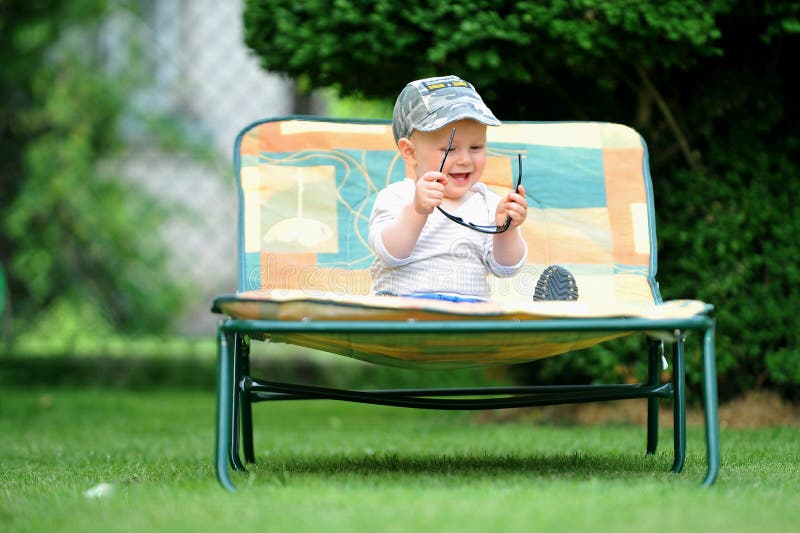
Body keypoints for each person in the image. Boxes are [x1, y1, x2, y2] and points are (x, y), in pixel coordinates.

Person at [368, 75, 528, 302]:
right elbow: (391, 255)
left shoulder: (488, 204)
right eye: (450, 149)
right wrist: (417, 211)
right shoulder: (398, 197)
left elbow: (505, 269)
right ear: (410, 152)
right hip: (405, 310)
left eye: (476, 147)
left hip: (468, 316)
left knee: (492, 319)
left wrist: (506, 229)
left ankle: (554, 311)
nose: (465, 160)